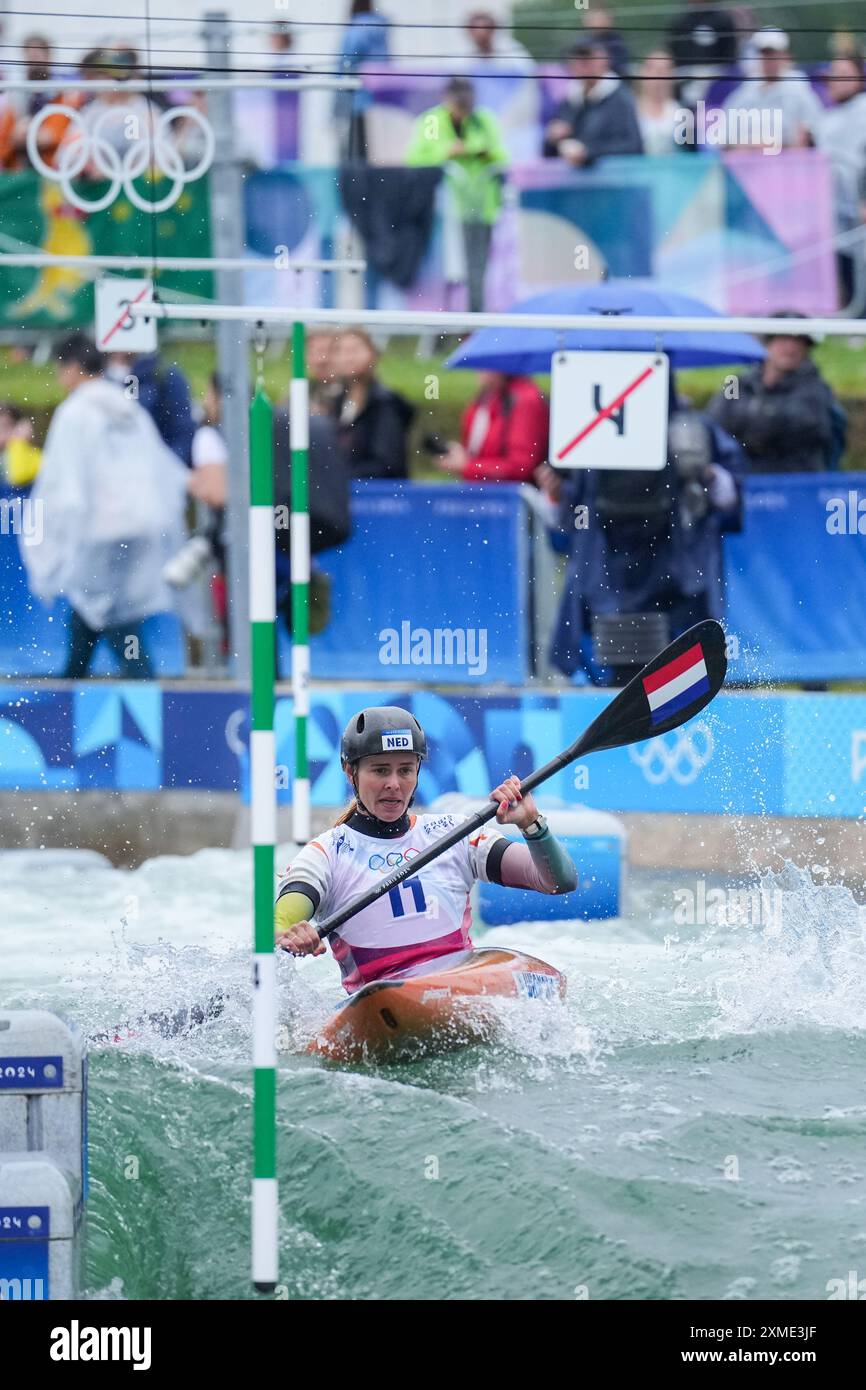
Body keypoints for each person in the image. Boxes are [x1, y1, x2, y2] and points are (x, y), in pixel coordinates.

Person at [274, 706, 577, 989]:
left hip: (461, 988)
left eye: (405, 770)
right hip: (380, 1005)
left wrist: (531, 824)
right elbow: (278, 926)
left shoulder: (456, 834)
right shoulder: (326, 854)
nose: (394, 784)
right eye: (380, 770)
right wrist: (291, 934)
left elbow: (558, 881)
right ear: (350, 772)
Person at [546, 385, 746, 684]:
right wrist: (555, 496)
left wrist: (706, 473)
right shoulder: (591, 432)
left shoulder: (692, 428)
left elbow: (729, 501)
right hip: (606, 573)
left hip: (675, 573)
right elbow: (566, 524)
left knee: (675, 663)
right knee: (615, 667)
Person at [21, 333, 190, 679]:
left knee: (108, 611)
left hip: (99, 529)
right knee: (97, 609)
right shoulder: (128, 408)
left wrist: (50, 537)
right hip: (139, 526)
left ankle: (140, 684)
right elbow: (158, 466)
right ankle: (73, 680)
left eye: (60, 369)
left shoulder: (75, 413)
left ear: (72, 368)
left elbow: (64, 485)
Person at [406, 76, 508, 313]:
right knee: (446, 267)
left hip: (481, 206)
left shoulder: (484, 120)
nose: (463, 111)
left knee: (477, 265)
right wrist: (447, 152)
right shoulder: (432, 121)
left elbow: (502, 155)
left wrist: (479, 151)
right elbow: (415, 158)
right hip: (445, 210)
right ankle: (446, 317)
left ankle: (475, 317)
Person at [706, 313, 843, 471]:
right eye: (783, 339)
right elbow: (716, 424)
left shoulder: (816, 388)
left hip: (794, 479)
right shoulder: (737, 382)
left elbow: (801, 430)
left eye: (799, 341)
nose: (790, 347)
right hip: (742, 474)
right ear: (767, 343)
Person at [813, 54, 866, 306]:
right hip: (834, 215)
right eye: (834, 74)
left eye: (844, 73)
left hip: (858, 208)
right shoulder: (826, 119)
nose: (837, 79)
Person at [434, 372, 549, 483]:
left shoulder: (525, 399)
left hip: (509, 494)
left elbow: (521, 467)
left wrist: (467, 466)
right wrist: (461, 457)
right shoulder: (486, 396)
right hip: (484, 491)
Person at [332, 328, 415, 480]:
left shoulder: (385, 404)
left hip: (378, 491)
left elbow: (387, 464)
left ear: (372, 354)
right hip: (347, 487)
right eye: (341, 351)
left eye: (354, 350)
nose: (348, 357)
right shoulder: (337, 402)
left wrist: (339, 475)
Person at [543, 39, 643, 165]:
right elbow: (549, 153)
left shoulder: (621, 99)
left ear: (605, 60)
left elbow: (632, 146)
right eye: (579, 58)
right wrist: (552, 140)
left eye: (589, 57)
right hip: (572, 176)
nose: (583, 63)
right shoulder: (569, 99)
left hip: (613, 175)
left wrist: (588, 152)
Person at [721, 29, 822, 149]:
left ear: (785, 56)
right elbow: (723, 135)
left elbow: (815, 130)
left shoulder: (799, 91)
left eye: (773, 54)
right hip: (748, 158)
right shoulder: (745, 93)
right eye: (764, 54)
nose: (768, 60)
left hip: (787, 158)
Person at [104, 350, 196, 467]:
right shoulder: (100, 376)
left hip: (157, 469)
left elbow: (183, 435)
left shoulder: (165, 376)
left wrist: (159, 469)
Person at [335, 0, 391, 161]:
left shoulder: (355, 31)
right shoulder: (381, 32)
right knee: (377, 155)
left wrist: (337, 107)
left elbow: (345, 66)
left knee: (356, 155)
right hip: (381, 102)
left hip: (357, 102)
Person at [635, 49, 682, 155]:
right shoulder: (630, 110)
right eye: (655, 70)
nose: (660, 77)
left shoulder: (680, 111)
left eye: (665, 70)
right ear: (643, 73)